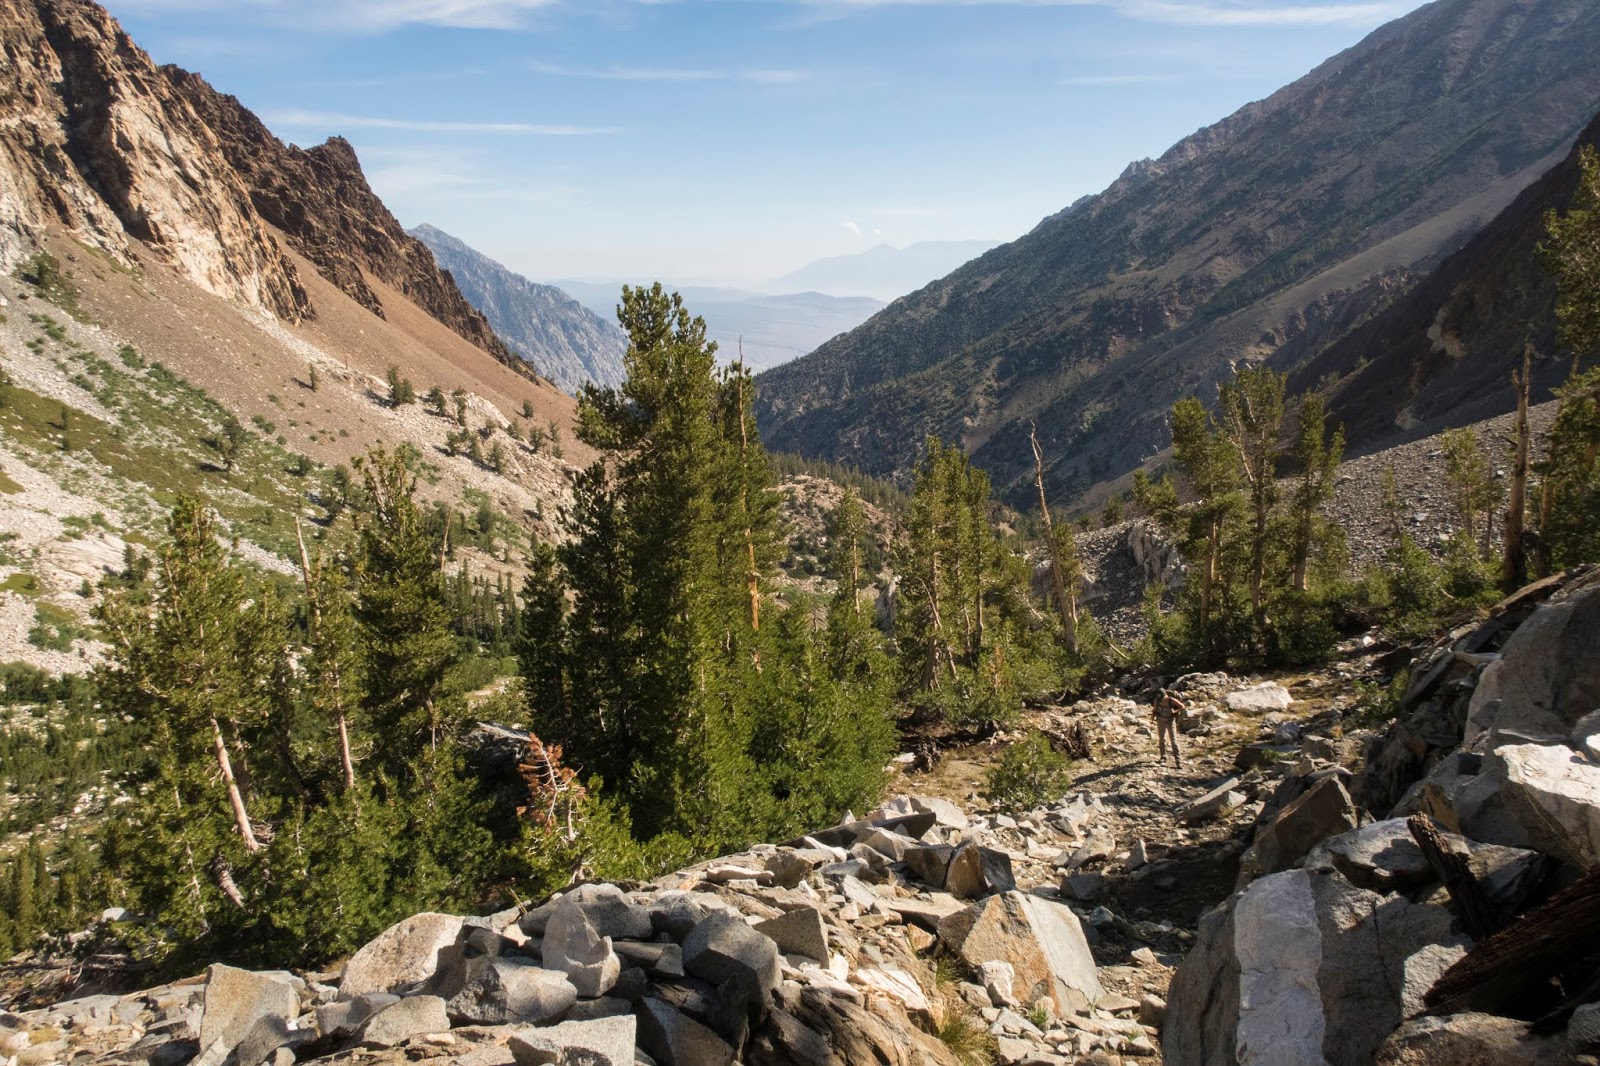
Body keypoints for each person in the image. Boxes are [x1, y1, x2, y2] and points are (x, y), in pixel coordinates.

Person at [1153, 687, 1187, 768]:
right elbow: (1155, 710)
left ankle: (1178, 761)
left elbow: (1182, 706)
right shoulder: (1157, 700)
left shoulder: (1171, 700)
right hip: (1160, 720)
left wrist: (1175, 712)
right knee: (1162, 739)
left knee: (1174, 741)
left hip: (1170, 721)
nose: (1161, 699)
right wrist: (1153, 716)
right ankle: (1163, 757)